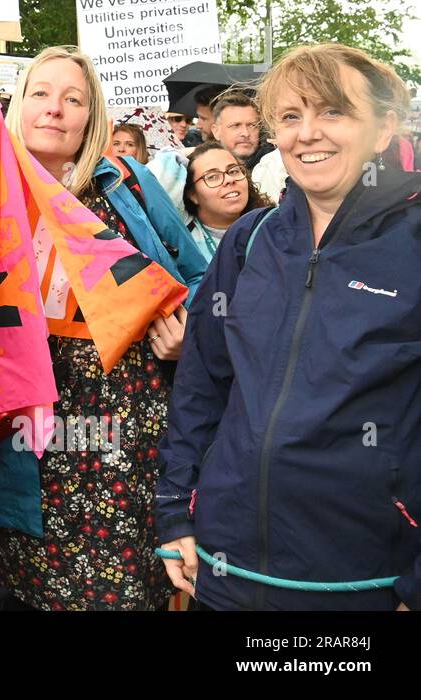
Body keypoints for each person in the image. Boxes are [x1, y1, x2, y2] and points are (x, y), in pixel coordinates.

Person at [158, 43, 420, 611]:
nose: (308, 134)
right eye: (291, 116)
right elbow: (201, 389)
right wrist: (175, 509)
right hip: (225, 571)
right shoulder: (248, 240)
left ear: (383, 130)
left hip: (365, 583)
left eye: (333, 112)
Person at [0, 46, 207, 611]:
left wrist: (190, 339)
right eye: (41, 94)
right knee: (33, 590)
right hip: (32, 444)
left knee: (132, 590)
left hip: (134, 438)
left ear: (91, 117)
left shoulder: (127, 185)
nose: (55, 109)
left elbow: (200, 279)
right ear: (18, 106)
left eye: (74, 99)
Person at [180, 142, 271, 262]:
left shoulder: (271, 225)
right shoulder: (185, 243)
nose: (229, 179)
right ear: (192, 194)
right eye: (212, 176)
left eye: (233, 171)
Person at [212, 89, 274, 170]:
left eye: (252, 125)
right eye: (236, 125)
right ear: (216, 131)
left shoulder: (276, 169)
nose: (245, 133)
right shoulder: (201, 168)